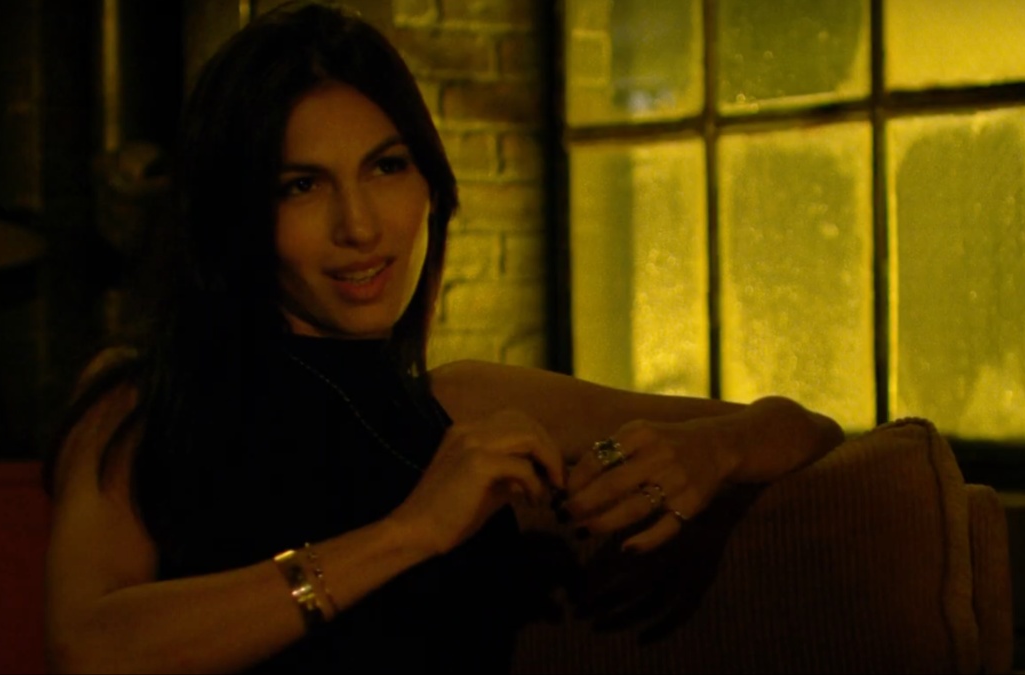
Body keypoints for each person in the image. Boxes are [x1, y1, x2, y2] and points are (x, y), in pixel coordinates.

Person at [42, 2, 845, 673]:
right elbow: (90, 645)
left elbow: (809, 432)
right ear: (235, 213)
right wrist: (408, 532)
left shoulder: (462, 404)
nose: (360, 226)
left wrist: (716, 449)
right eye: (302, 185)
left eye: (386, 167)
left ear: (429, 181)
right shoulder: (146, 399)